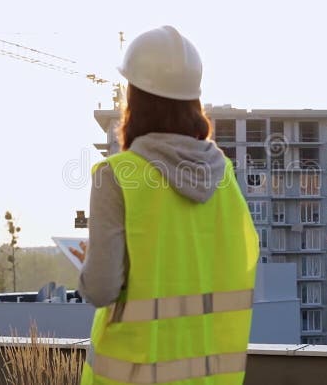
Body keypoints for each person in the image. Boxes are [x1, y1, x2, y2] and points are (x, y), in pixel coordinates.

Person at [74, 26, 259, 385]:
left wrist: (91, 263)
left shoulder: (115, 177)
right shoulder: (224, 177)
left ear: (135, 100)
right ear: (194, 102)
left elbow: (100, 289)